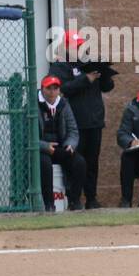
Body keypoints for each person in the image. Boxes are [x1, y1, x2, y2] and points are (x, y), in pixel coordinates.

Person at [46, 30, 113, 209]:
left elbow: (108, 87)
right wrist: (86, 79)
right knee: (75, 162)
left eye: (80, 45)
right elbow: (60, 89)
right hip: (74, 124)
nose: (79, 49)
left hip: (94, 121)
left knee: (92, 162)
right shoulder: (60, 65)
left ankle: (91, 198)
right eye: (75, 46)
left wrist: (104, 73)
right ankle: (74, 199)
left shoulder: (89, 62)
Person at [36, 75, 86, 212]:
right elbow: (28, 137)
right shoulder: (33, 105)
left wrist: (70, 144)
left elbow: (73, 130)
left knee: (79, 162)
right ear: (42, 89)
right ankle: (49, 205)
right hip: (41, 149)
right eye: (49, 88)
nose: (52, 92)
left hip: (60, 147)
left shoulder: (63, 104)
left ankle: (74, 201)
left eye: (55, 88)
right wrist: (45, 146)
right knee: (44, 164)